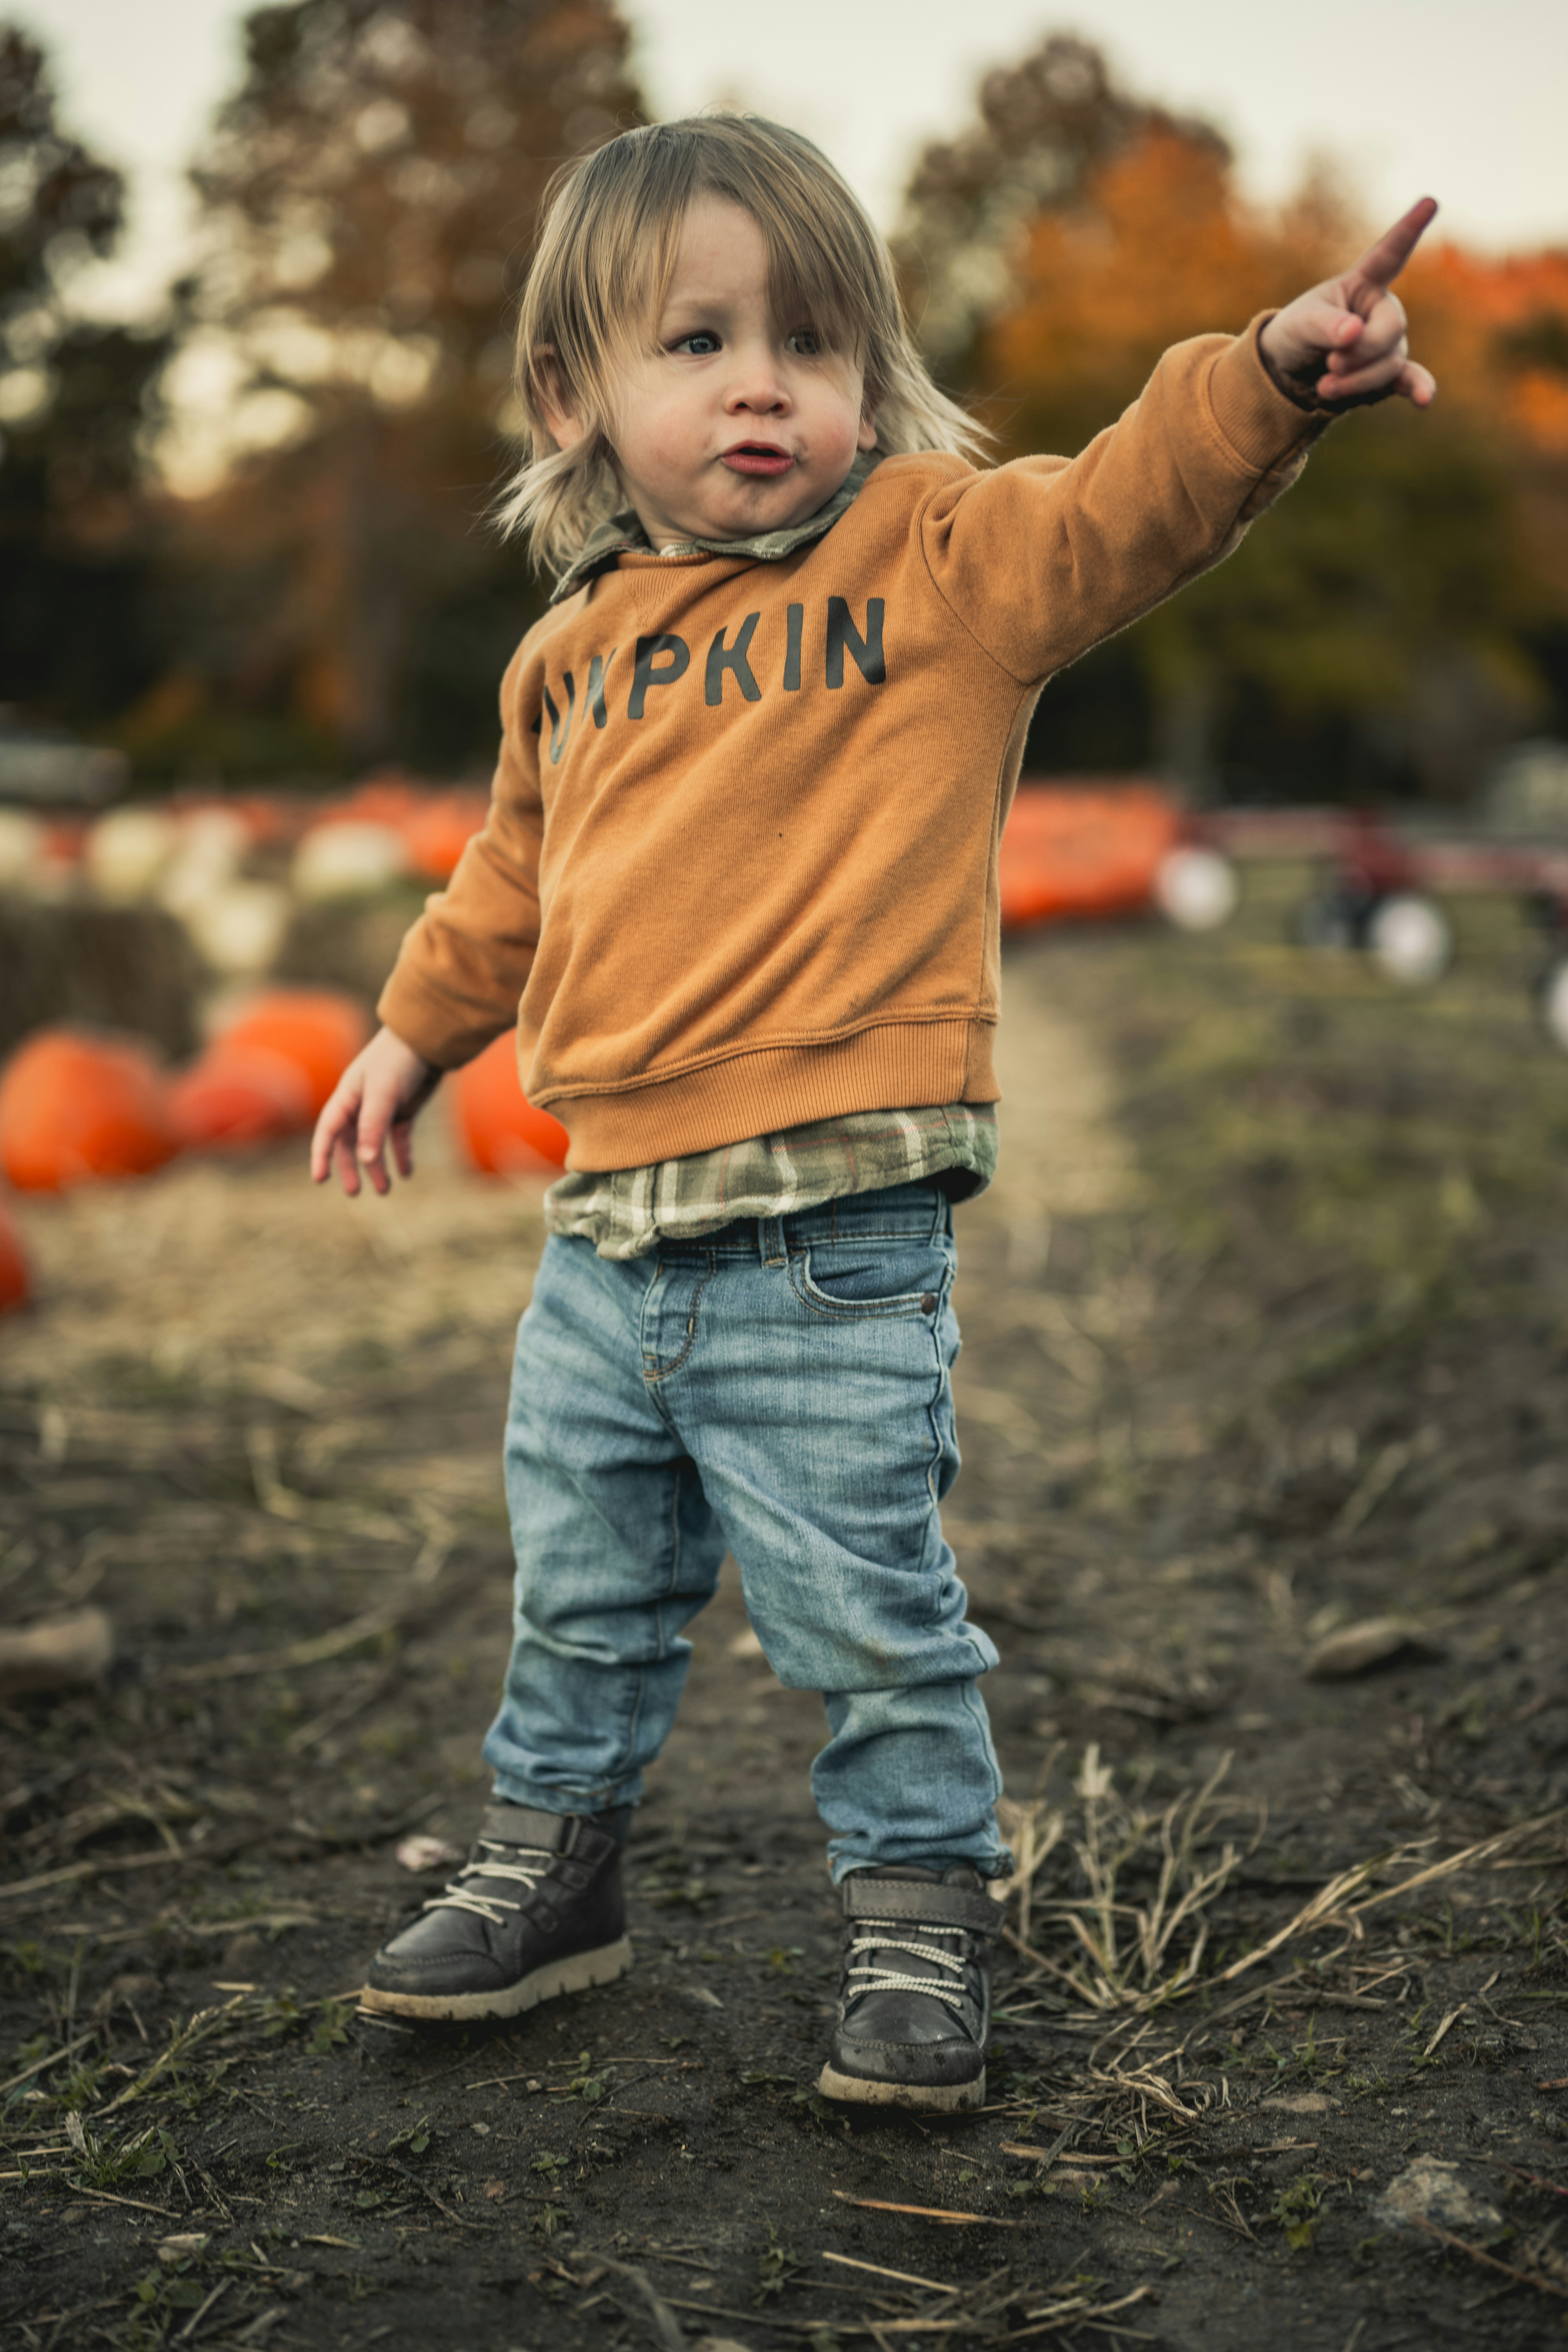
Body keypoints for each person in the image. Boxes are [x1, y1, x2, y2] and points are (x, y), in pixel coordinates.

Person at [311, 113, 1436, 2113]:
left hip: (834, 1246)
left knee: (869, 1616)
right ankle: (551, 1864)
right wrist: (409, 1042)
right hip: (603, 1244)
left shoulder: (936, 556)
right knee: (574, 1590)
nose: (763, 382)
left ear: (869, 374)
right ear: (573, 393)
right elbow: (508, 884)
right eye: (697, 342)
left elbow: (1125, 505)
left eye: (811, 342)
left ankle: (920, 1919)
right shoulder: (564, 658)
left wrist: (1265, 377)